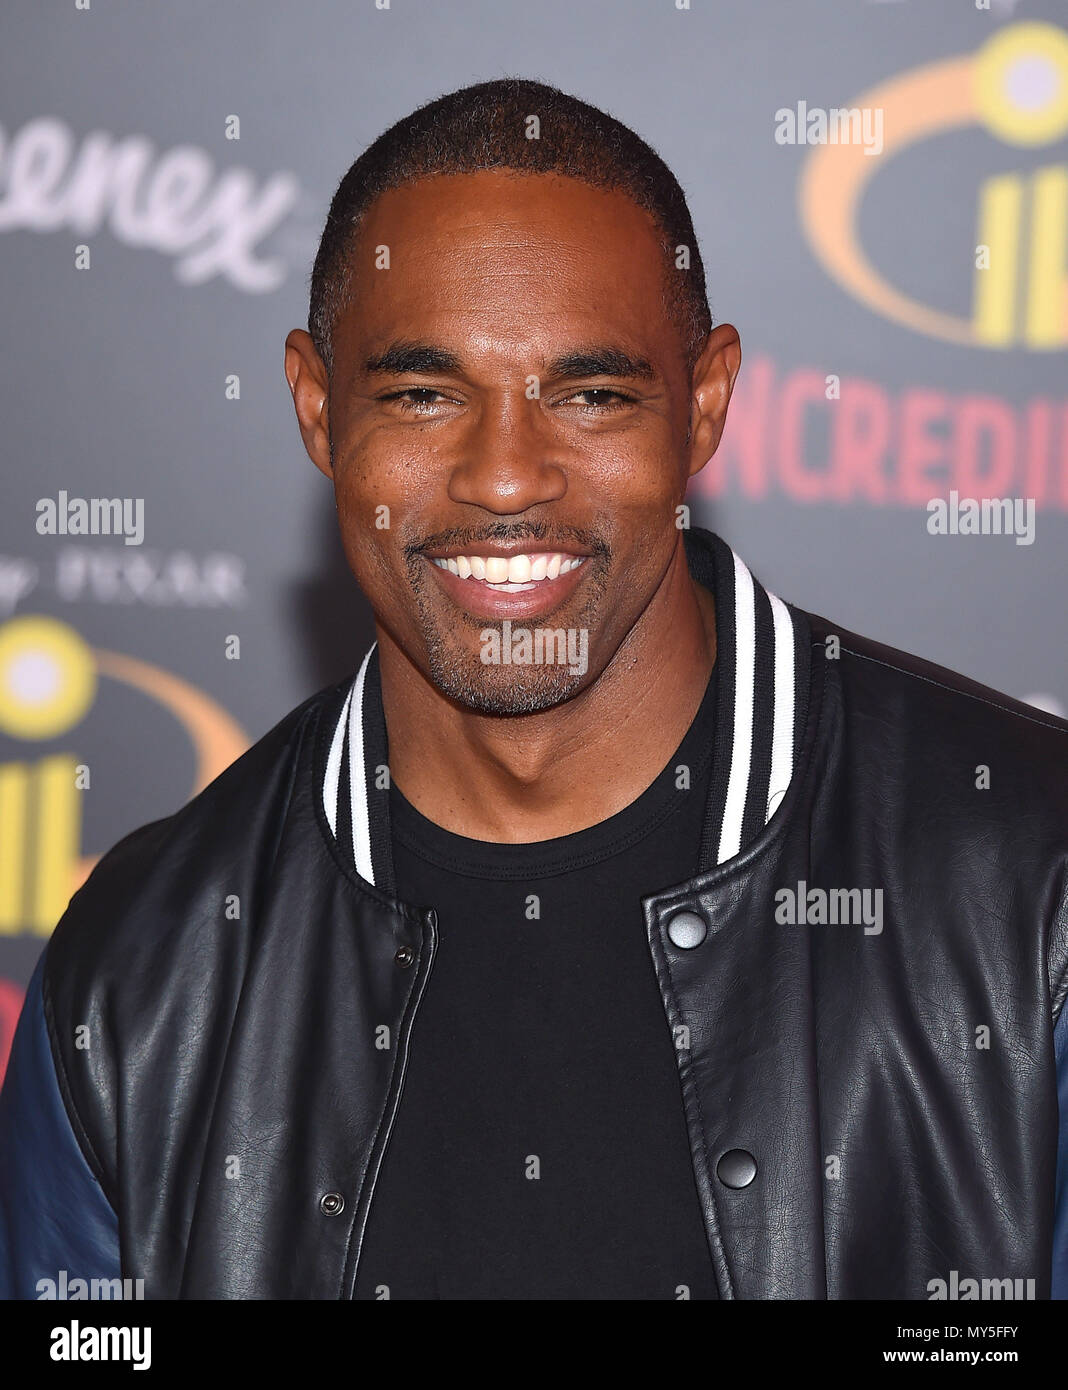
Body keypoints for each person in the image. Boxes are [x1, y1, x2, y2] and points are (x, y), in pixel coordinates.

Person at [1, 77, 1066, 1301]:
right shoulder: (145, 967)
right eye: (423, 393)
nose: (507, 478)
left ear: (706, 406)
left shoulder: (1036, 889)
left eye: (592, 393)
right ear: (314, 406)